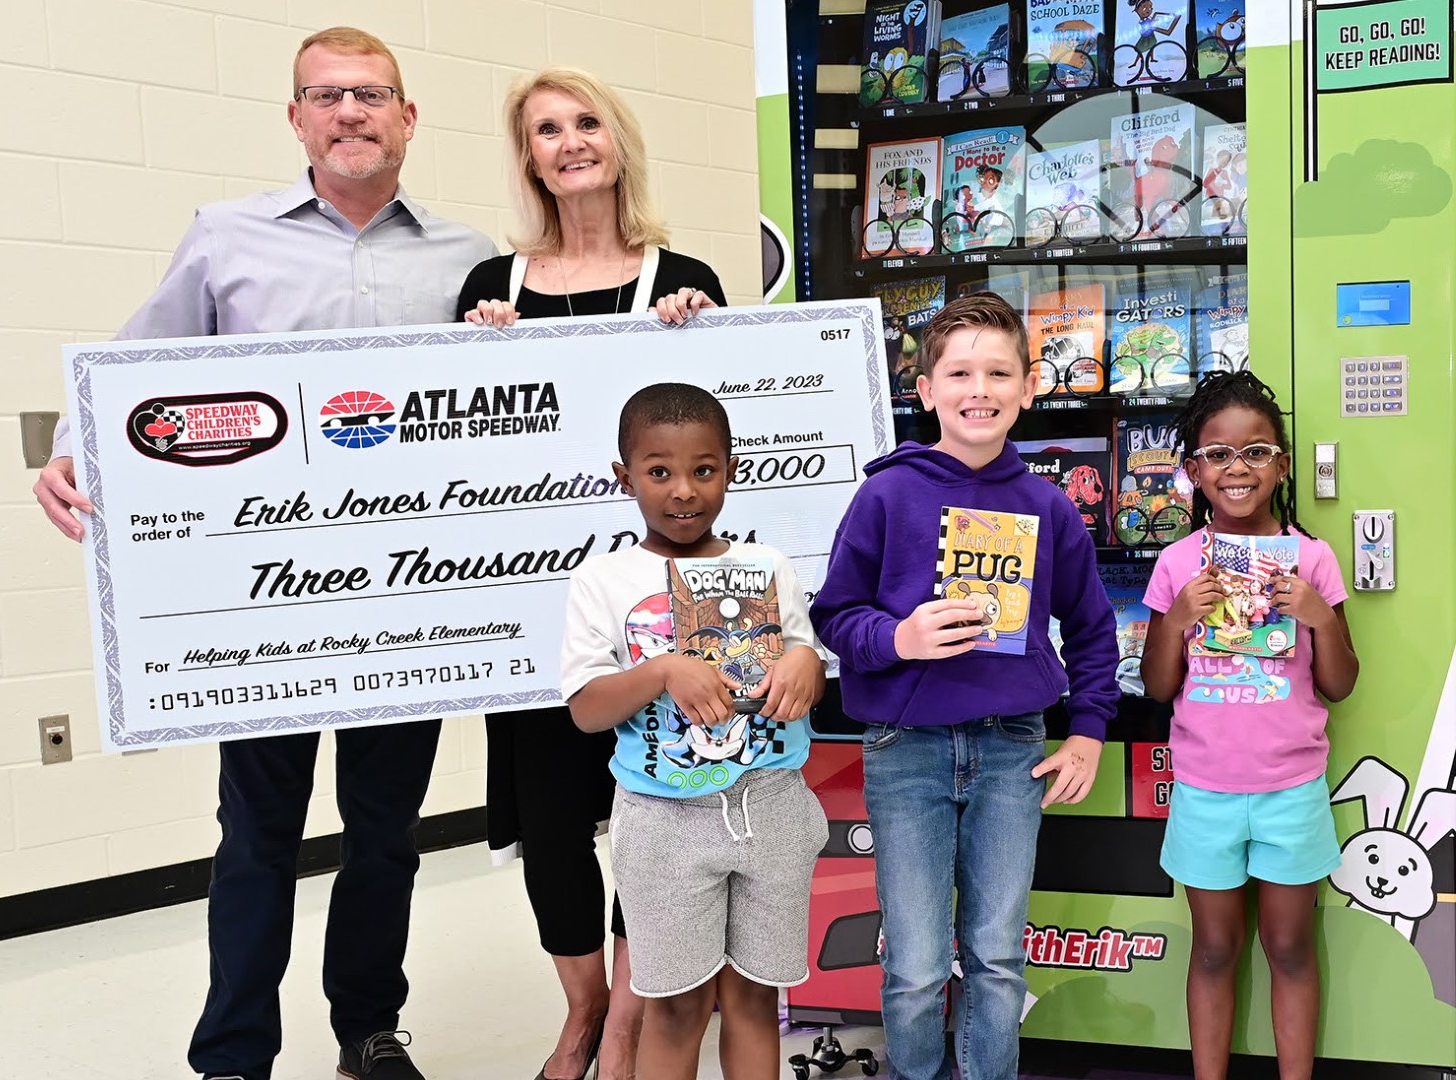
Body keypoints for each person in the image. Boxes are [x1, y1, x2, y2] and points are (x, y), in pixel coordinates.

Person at [30, 27, 496, 1080]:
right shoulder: (224, 236)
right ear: (295, 118)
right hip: (266, 605)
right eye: (324, 96)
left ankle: (367, 1032)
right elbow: (133, 364)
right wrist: (70, 450)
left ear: (408, 117)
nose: (349, 113)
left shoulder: (471, 260)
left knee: (385, 834)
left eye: (371, 93)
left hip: (406, 600)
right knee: (257, 839)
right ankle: (234, 1053)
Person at [451, 66, 727, 1080]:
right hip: (536, 610)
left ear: (619, 140)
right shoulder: (492, 289)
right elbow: (451, 455)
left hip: (660, 613)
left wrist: (709, 336)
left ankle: (624, 1030)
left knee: (652, 812)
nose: (570, 142)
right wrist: (471, 356)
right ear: (528, 155)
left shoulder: (684, 280)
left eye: (586, 123)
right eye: (546, 130)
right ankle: (584, 1007)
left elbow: (717, 428)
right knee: (554, 822)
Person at [810, 292, 1119, 1080]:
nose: (978, 388)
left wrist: (1086, 731)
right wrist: (898, 638)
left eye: (997, 372)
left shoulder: (1048, 506)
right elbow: (834, 615)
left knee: (996, 955)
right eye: (959, 372)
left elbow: (1090, 629)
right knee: (913, 964)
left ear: (1028, 386)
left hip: (1012, 749)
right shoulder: (886, 494)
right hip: (904, 752)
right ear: (925, 390)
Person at [560, 383, 828, 1080]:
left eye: (703, 470)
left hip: (770, 808)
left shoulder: (767, 567)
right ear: (625, 478)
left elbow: (805, 661)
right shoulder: (602, 580)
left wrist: (804, 663)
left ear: (731, 469)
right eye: (659, 472)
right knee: (674, 1006)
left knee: (754, 996)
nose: (683, 491)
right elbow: (587, 709)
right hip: (663, 824)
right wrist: (660, 673)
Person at [1139, 371, 1356, 1080]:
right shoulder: (1177, 565)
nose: (1239, 468)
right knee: (1213, 949)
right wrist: (1177, 619)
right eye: (1220, 455)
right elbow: (1158, 686)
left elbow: (1341, 683)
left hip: (1292, 787)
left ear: (1283, 465)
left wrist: (1319, 615)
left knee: (1291, 948)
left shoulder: (1313, 561)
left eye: (1257, 452)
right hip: (1204, 788)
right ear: (1194, 472)